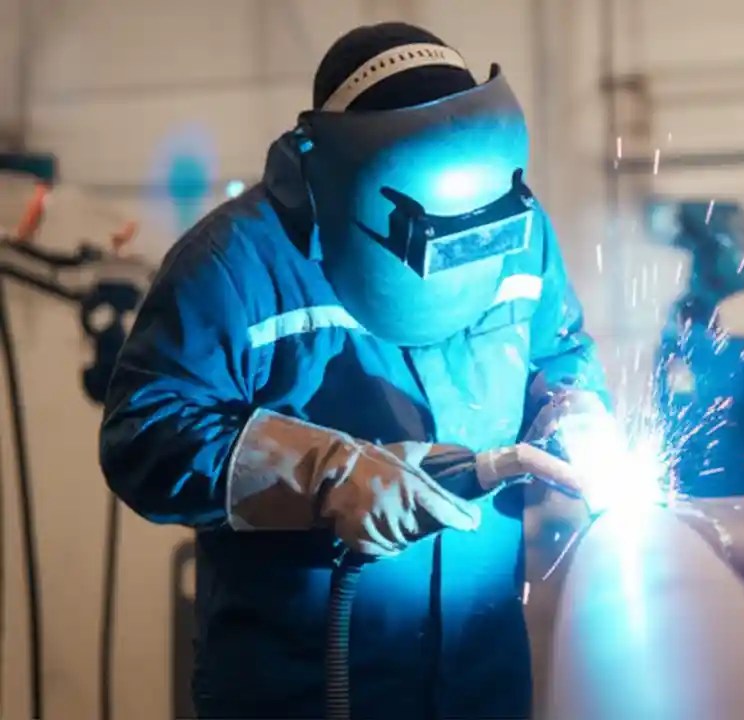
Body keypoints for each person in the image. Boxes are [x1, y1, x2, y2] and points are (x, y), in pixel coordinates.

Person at [99, 22, 610, 719]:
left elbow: (557, 349)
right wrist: (318, 473)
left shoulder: (517, 230)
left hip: (481, 679)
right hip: (298, 688)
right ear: (355, 183)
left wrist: (572, 402)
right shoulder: (236, 264)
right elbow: (142, 434)